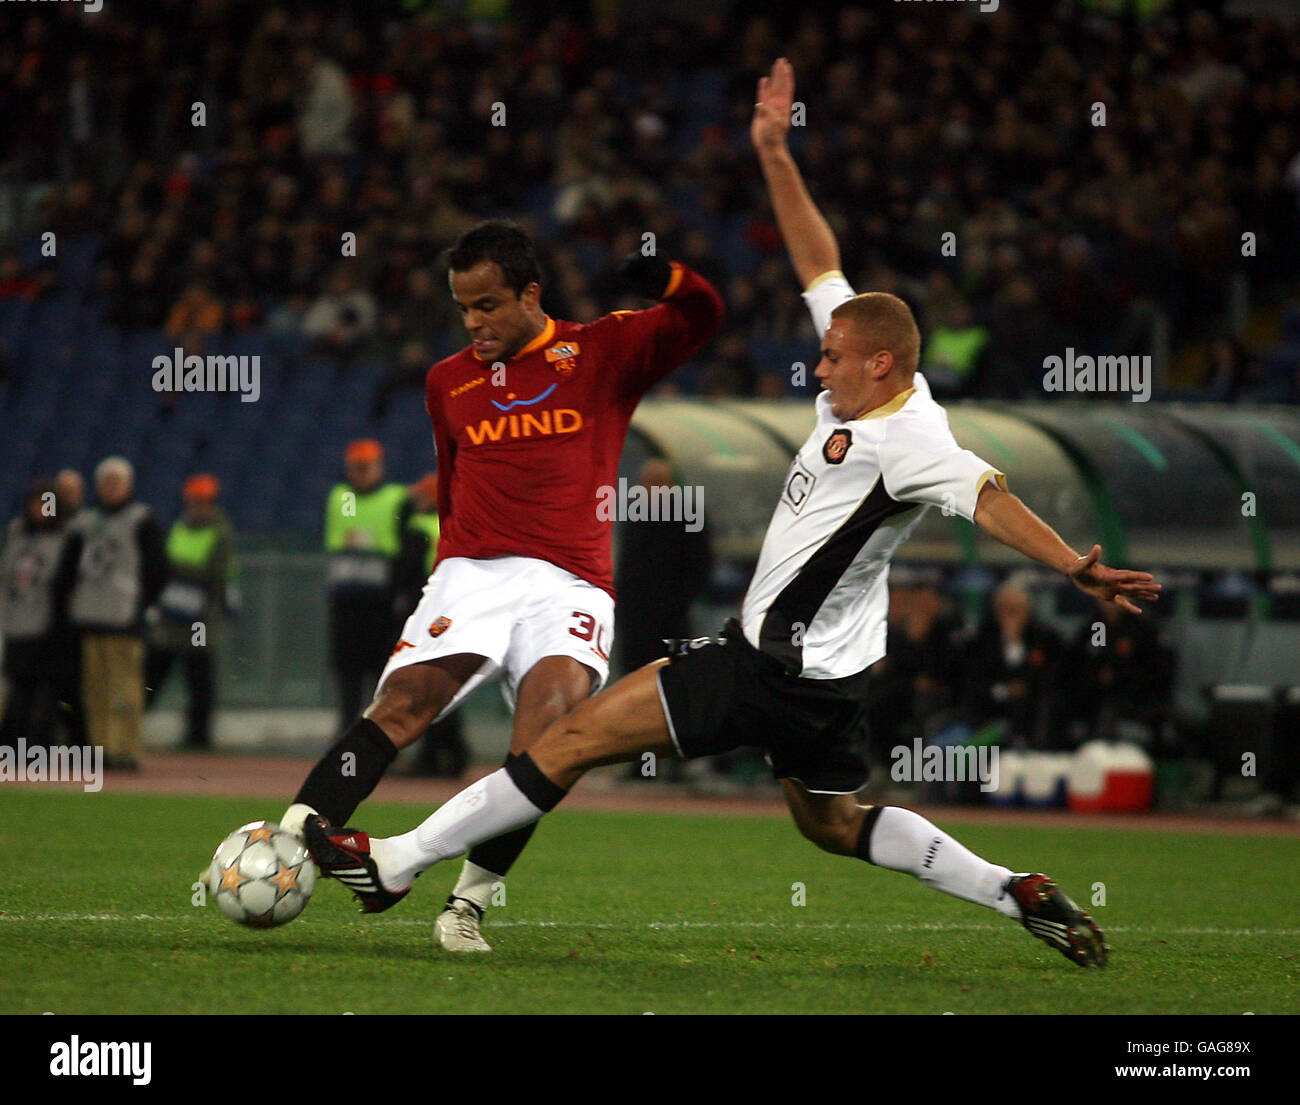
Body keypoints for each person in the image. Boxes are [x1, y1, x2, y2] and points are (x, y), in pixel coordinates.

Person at [305, 61, 1163, 969]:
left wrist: (1072, 564)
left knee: (571, 736)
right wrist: (772, 152)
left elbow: (990, 498)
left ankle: (397, 863)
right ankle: (1013, 888)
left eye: (832, 357)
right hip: (834, 684)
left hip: (769, 664)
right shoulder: (863, 386)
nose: (816, 367)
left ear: (879, 365)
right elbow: (818, 261)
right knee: (833, 822)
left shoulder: (910, 441)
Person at [280, 219, 723, 951]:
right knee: (404, 703)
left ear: (530, 294)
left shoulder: (604, 350)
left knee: (549, 735)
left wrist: (666, 276)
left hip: (574, 583)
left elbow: (704, 314)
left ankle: (466, 904)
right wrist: (446, 575)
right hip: (473, 570)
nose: (474, 323)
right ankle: (291, 839)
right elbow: (455, 490)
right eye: (463, 308)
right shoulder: (446, 381)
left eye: (488, 305)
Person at [61, 457, 168, 770]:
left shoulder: (141, 519)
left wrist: (139, 603)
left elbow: (157, 569)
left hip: (124, 620)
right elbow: (68, 570)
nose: (109, 488)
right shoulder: (85, 522)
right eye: (105, 482)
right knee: (94, 692)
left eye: (115, 482)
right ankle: (100, 749)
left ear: (128, 485)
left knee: (125, 690)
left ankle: (126, 749)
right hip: (89, 617)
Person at [323, 439, 410, 736]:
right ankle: (347, 737)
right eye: (356, 467)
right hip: (348, 604)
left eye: (366, 467)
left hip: (382, 607)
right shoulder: (341, 496)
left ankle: (376, 739)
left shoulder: (396, 498)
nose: (361, 473)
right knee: (348, 675)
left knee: (381, 678)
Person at [145, 474, 237, 749]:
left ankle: (199, 739)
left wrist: (179, 570)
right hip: (171, 616)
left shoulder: (220, 532)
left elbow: (216, 575)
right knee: (152, 676)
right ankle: (124, 732)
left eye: (201, 502)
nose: (196, 506)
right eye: (193, 501)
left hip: (200, 619)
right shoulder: (180, 526)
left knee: (199, 680)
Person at [396, 474, 468, 779]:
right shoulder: (455, 526)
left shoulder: (419, 528)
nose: (416, 501)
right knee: (446, 683)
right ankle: (452, 753)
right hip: (451, 613)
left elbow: (407, 573)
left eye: (422, 496)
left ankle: (435, 755)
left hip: (429, 614)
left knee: (425, 684)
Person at [0, 478, 74, 747]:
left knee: (46, 692)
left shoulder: (67, 537)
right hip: (18, 624)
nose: (41, 509)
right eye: (37, 504)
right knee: (17, 690)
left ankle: (41, 746)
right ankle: (11, 745)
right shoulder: (17, 532)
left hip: (49, 627)